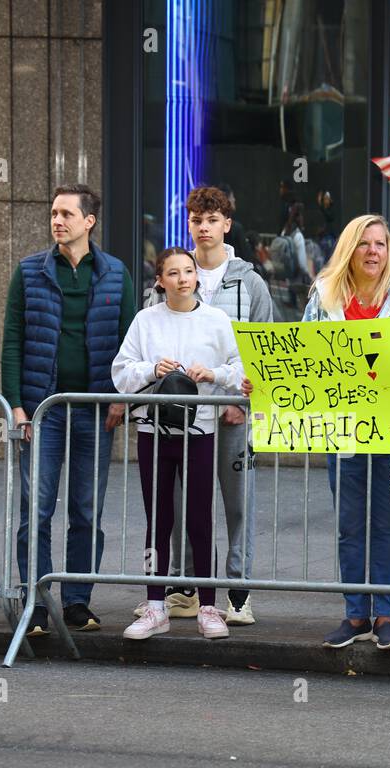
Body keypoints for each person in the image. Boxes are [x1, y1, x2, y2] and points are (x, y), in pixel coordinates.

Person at [276, 214, 390, 651]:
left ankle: (385, 615)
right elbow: (301, 350)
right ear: (349, 248)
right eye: (364, 244)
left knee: (385, 522)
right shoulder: (325, 294)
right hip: (340, 425)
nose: (372, 252)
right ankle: (355, 614)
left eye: (380, 244)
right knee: (349, 523)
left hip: (389, 419)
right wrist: (265, 383)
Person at [1, 184, 136, 635]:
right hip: (44, 410)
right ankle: (36, 602)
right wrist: (17, 406)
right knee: (35, 509)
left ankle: (77, 601)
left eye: (66, 214)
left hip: (96, 409)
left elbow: (129, 344)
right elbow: (12, 342)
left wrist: (121, 397)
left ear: (89, 221)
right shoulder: (29, 271)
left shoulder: (116, 273)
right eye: (53, 214)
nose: (57, 221)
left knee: (86, 509)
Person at [142, 185, 275, 626]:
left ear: (227, 225)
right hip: (182, 415)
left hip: (234, 411)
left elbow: (265, 346)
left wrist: (242, 399)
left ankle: (237, 592)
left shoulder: (249, 281)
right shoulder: (170, 275)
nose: (204, 227)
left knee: (237, 504)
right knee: (183, 502)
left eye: (212, 219)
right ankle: (183, 588)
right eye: (197, 220)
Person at [112, 247, 243, 641]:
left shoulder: (217, 320)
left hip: (200, 430)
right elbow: (121, 372)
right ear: (160, 280)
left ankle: (208, 605)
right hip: (153, 430)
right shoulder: (145, 320)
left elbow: (242, 369)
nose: (183, 278)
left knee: (200, 518)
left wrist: (215, 374)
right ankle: (155, 606)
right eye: (174, 272)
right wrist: (152, 369)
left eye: (189, 271)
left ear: (197, 278)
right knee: (159, 518)